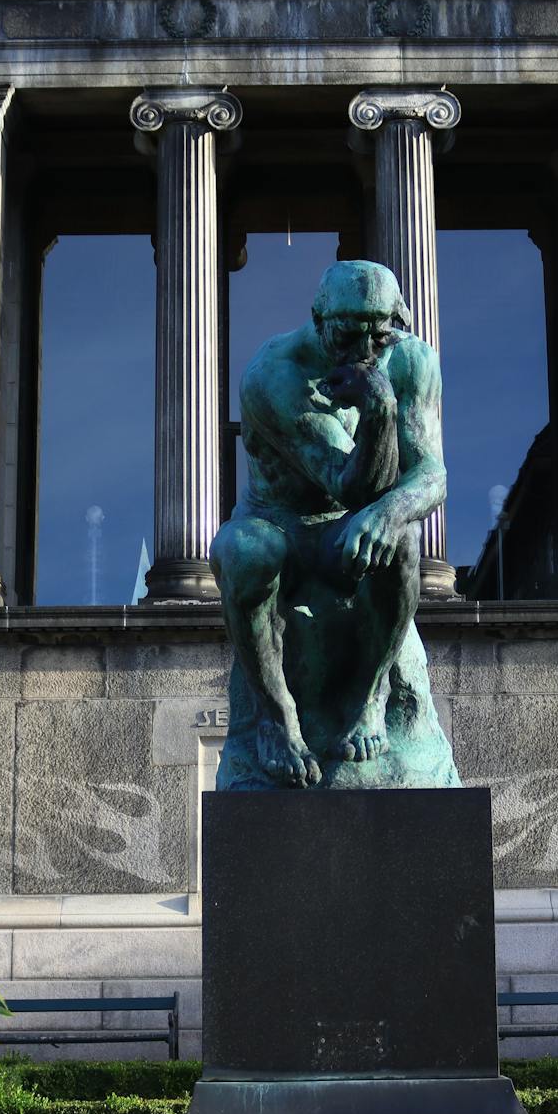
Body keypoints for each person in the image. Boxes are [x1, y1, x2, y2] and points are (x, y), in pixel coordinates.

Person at [209, 261, 456, 790]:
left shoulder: (412, 361)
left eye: (380, 335)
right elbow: (351, 485)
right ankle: (276, 717)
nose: (365, 351)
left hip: (349, 531)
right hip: (284, 529)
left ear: (400, 322)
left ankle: (372, 696)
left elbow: (431, 474)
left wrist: (390, 512)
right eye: (348, 335)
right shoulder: (274, 375)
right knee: (241, 550)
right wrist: (380, 412)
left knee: (404, 540)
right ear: (319, 320)